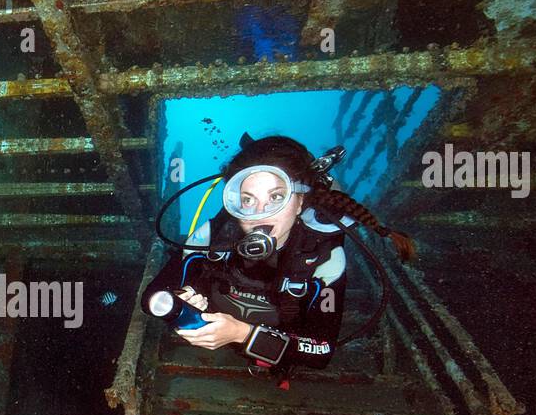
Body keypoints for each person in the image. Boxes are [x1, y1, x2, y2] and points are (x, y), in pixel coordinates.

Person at [142, 133, 414, 376]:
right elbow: (150, 298)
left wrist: (241, 333)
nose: (259, 214)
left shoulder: (325, 258)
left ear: (299, 202)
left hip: (277, 354)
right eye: (248, 200)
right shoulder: (214, 235)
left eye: (275, 198)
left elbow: (321, 352)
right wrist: (181, 300)